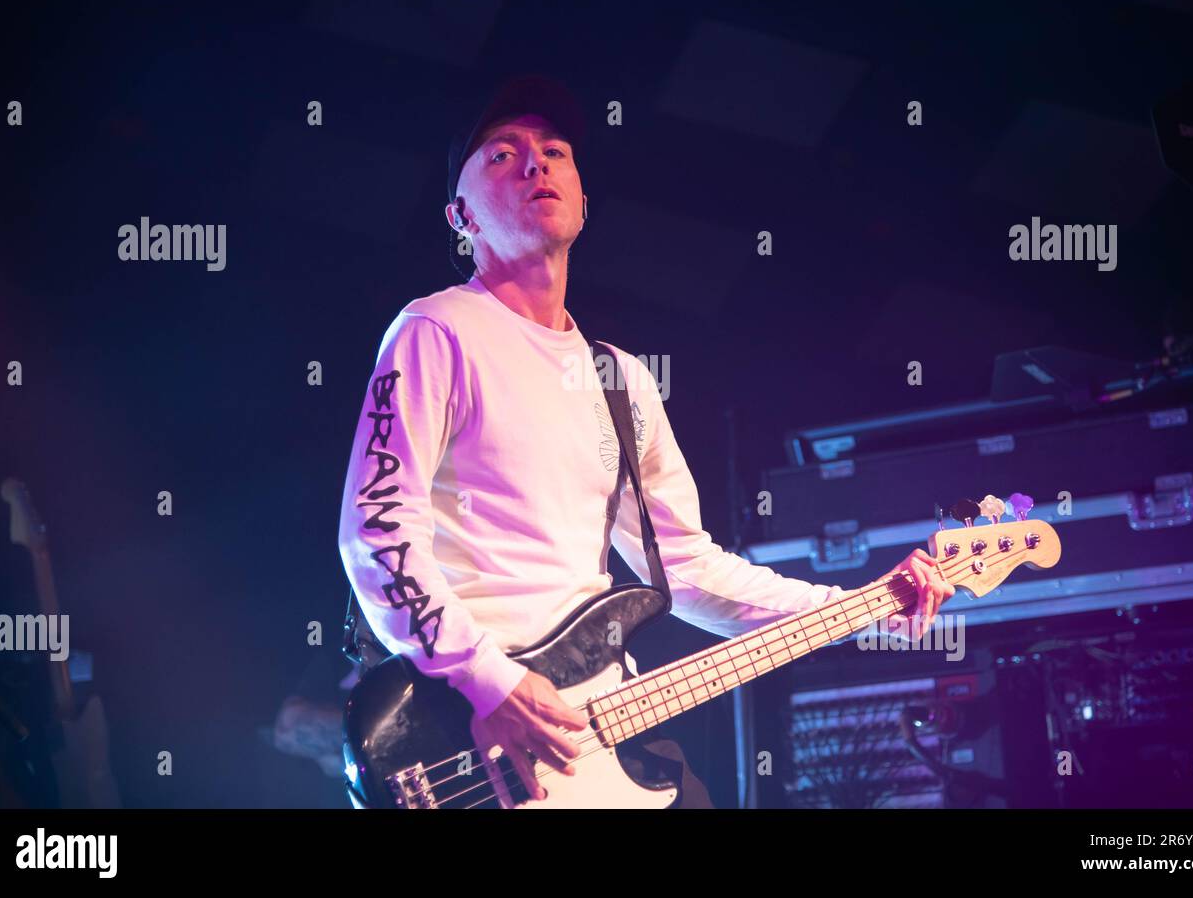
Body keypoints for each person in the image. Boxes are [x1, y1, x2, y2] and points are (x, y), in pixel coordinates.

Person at [336, 74, 955, 808]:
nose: (536, 163)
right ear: (460, 216)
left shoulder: (619, 380)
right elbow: (376, 533)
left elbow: (690, 570)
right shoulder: (436, 332)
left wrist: (861, 602)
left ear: (585, 201)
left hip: (595, 729)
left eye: (554, 151)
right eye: (502, 155)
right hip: (470, 738)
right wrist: (488, 679)